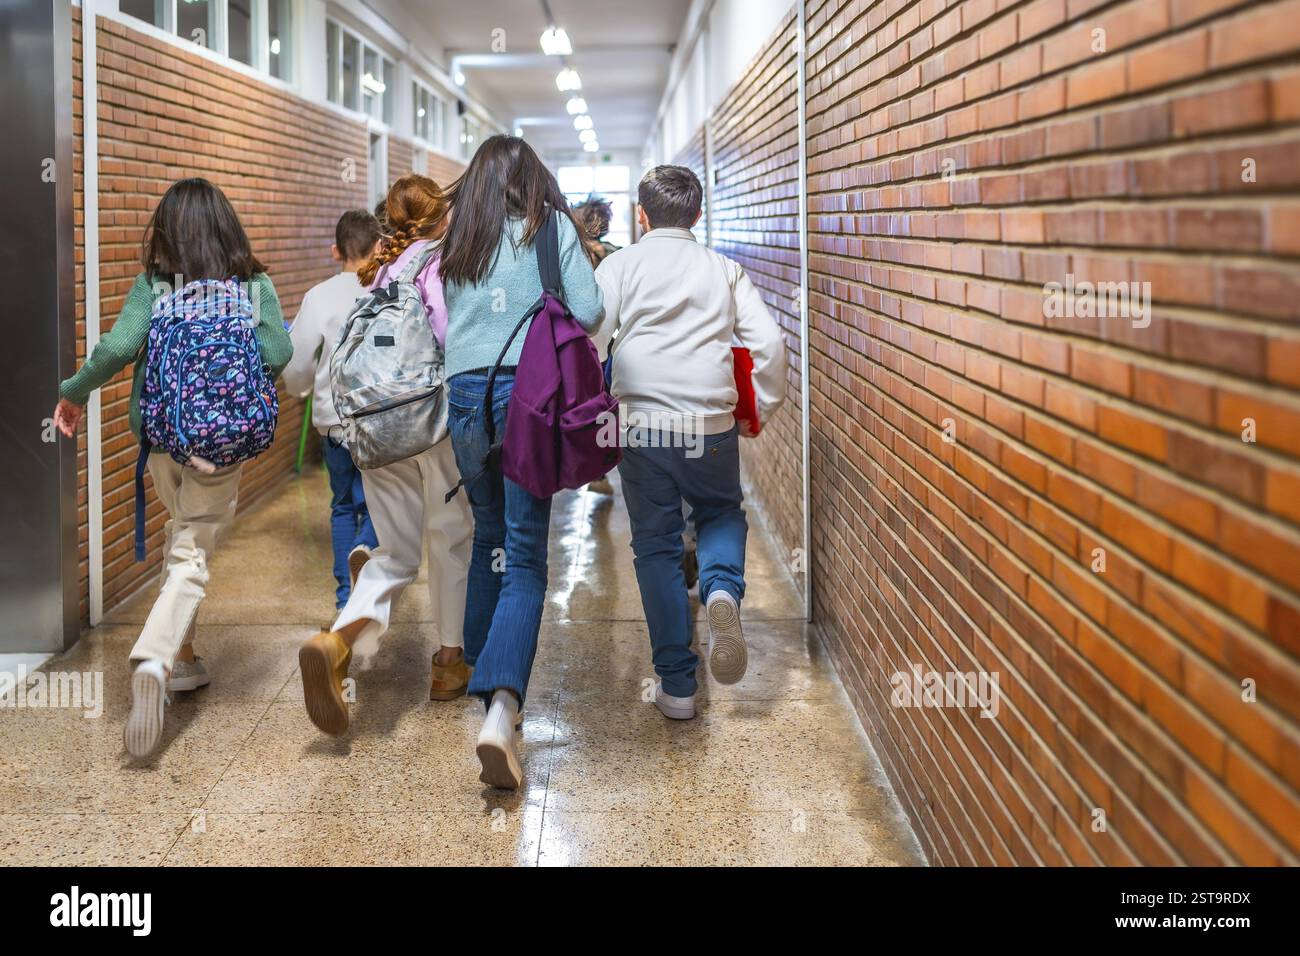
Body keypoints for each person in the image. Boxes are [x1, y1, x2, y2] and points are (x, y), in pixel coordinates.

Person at [52, 177, 292, 757]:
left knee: (179, 535)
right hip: (221, 445)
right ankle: (156, 657)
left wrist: (74, 392)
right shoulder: (253, 285)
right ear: (227, 227)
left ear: (166, 232)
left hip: (164, 441)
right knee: (193, 552)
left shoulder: (155, 286)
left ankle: (183, 660)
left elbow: (116, 348)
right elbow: (279, 353)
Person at [439, 135, 603, 788]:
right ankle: (502, 706)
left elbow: (455, 319)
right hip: (526, 395)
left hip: (464, 400)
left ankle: (480, 664)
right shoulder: (550, 228)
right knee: (527, 557)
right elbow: (588, 311)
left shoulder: (461, 238)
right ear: (533, 180)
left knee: (489, 536)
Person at [594, 165, 785, 720]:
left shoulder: (620, 265)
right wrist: (760, 411)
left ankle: (677, 687)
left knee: (654, 546)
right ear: (698, 216)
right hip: (710, 424)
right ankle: (722, 590)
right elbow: (768, 344)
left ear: (641, 213)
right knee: (720, 513)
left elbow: (592, 338)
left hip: (641, 425)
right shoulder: (723, 269)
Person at [297, 175, 474, 736]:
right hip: (431, 427)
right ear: (440, 218)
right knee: (449, 537)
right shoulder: (442, 266)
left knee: (395, 554)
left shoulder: (375, 272)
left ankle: (339, 636)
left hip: (375, 432)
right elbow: (450, 341)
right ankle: (449, 662)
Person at [282, 210, 382, 610]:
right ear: (379, 247)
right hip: (384, 421)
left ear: (334, 250)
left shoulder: (319, 295)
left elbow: (299, 360)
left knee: (342, 505)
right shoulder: (391, 289)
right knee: (387, 504)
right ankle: (367, 549)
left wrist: (302, 389)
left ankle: (345, 599)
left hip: (336, 423)